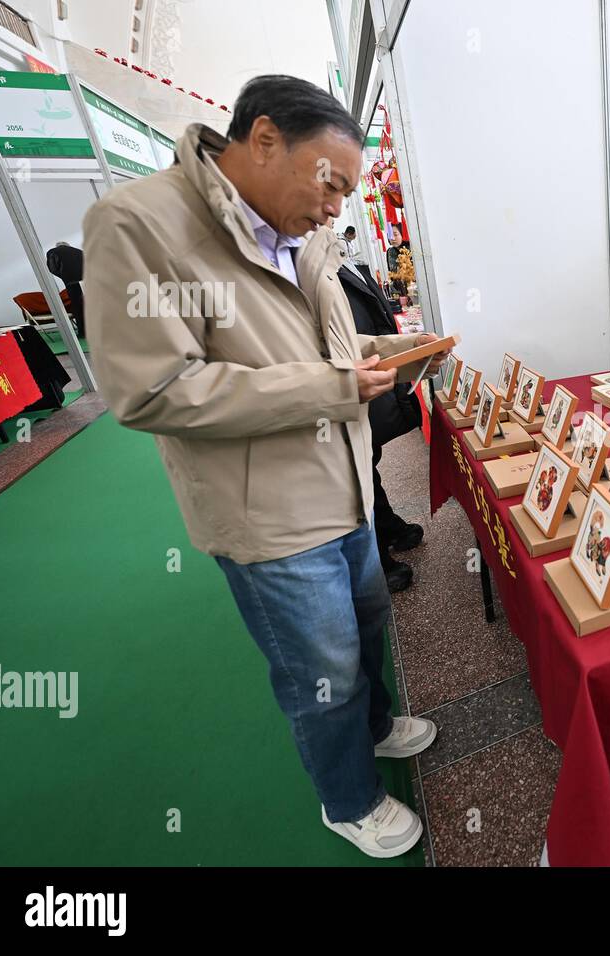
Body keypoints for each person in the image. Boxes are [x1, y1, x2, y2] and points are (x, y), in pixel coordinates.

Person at [82, 74, 450, 859]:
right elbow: (153, 390)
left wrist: (390, 354)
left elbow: (323, 346)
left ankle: (378, 731)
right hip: (270, 517)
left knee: (369, 628)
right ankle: (347, 801)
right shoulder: (136, 226)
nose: (337, 208)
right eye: (333, 184)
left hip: (348, 485)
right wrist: (328, 386)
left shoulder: (302, 222)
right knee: (323, 673)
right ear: (263, 139)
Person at [337, 258, 425, 593]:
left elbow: (346, 339)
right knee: (353, 474)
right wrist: (336, 385)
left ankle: (386, 528)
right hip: (321, 419)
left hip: (354, 392)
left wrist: (408, 350)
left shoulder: (327, 256)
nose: (332, 211)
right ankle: (377, 557)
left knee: (365, 461)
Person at [46, 241, 85, 339]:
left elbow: (52, 268)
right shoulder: (80, 251)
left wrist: (63, 276)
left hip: (71, 282)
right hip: (86, 280)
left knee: (77, 306)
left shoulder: (52, 251)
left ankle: (82, 332)